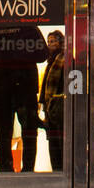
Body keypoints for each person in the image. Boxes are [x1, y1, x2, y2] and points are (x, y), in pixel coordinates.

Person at [0, 23, 47, 172]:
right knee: (28, 132)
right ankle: (27, 171)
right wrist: (24, 52)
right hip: (24, 85)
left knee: (4, 133)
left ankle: (6, 171)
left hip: (1, 86)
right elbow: (43, 54)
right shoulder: (28, 26)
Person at [39, 30, 65, 172]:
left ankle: (62, 171)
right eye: (49, 42)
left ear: (60, 42)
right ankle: (57, 171)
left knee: (61, 142)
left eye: (53, 41)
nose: (50, 44)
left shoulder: (65, 59)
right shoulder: (50, 61)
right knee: (53, 143)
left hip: (60, 108)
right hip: (50, 109)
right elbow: (45, 87)